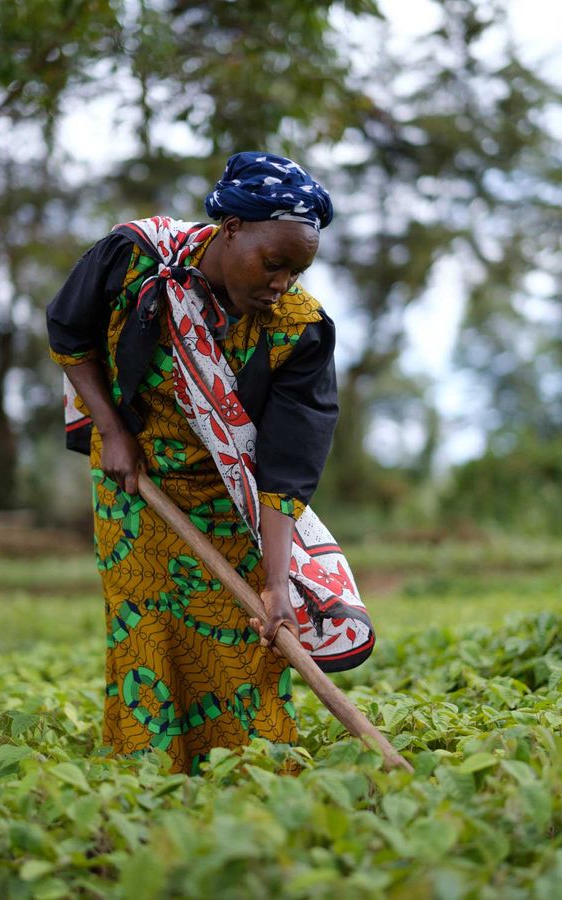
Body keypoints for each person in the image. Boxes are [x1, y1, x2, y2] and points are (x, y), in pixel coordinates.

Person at [47, 151, 374, 775]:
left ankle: (247, 769)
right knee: (146, 624)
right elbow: (69, 333)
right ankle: (147, 770)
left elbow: (287, 462)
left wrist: (277, 581)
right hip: (133, 479)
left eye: (296, 271)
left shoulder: (298, 330)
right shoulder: (137, 256)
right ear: (231, 229)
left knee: (242, 633)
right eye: (272, 263)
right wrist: (112, 432)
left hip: (232, 494)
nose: (281, 283)